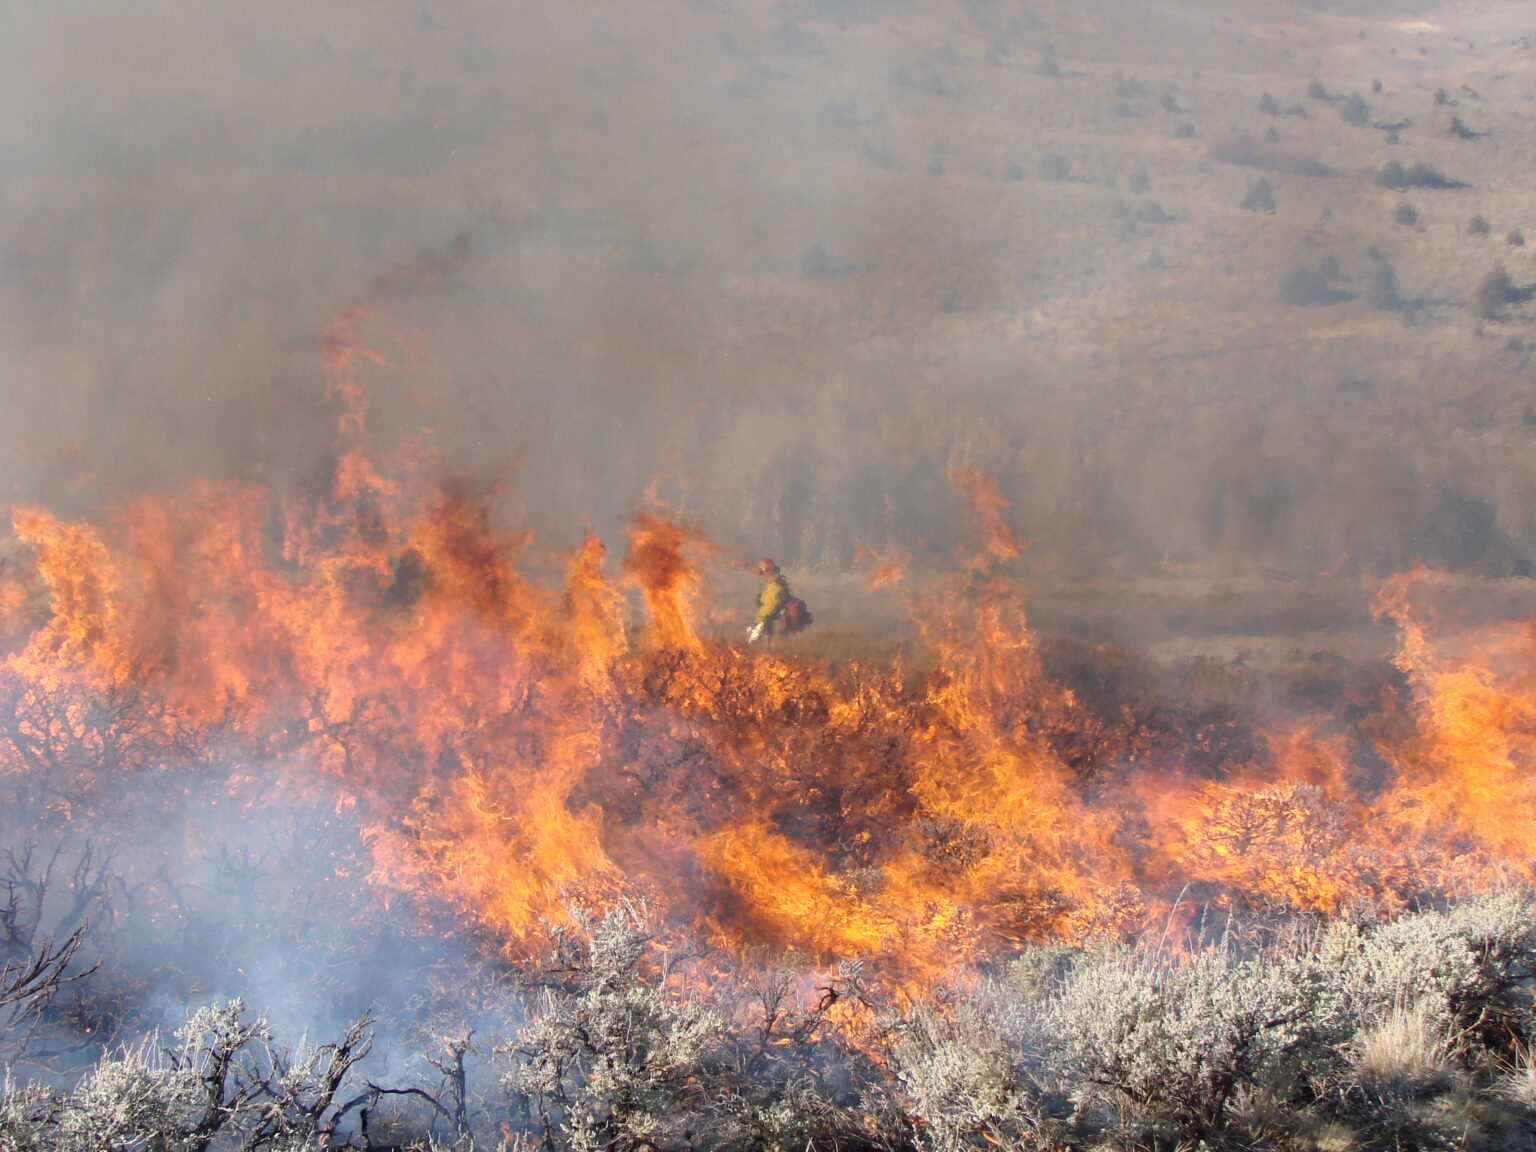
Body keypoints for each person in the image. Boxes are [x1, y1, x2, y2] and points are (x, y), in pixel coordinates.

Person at [745, 557, 792, 644]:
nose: (760, 576)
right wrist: (760, 598)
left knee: (752, 643)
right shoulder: (774, 585)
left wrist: (758, 621)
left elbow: (769, 609)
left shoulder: (775, 587)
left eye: (761, 572)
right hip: (773, 624)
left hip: (771, 625)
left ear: (767, 571)